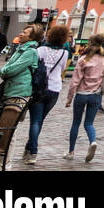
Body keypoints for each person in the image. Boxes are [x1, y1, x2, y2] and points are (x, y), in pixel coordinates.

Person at [22, 25, 70, 165]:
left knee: (35, 121)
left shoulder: (40, 50)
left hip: (39, 88)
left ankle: (33, 152)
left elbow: (33, 67)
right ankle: (28, 148)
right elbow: (62, 69)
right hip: (54, 89)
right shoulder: (65, 53)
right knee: (40, 120)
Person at [65, 34, 104, 163]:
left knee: (76, 123)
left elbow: (75, 81)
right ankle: (93, 141)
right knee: (89, 123)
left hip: (82, 94)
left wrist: (69, 98)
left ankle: (71, 152)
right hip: (96, 95)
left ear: (90, 43)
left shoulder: (83, 59)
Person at [0, 23, 41, 118]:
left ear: (31, 38)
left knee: (6, 123)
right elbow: (9, 65)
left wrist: (2, 72)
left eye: (24, 33)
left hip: (18, 92)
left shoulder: (30, 51)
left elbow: (12, 69)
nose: (20, 34)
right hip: (11, 89)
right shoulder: (21, 48)